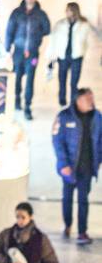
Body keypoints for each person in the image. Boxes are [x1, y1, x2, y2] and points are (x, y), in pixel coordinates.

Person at [51, 87, 102, 244]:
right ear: (78, 101)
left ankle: (82, 231)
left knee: (83, 199)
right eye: (88, 99)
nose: (92, 102)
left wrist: (98, 161)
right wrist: (63, 164)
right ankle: (67, 224)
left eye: (92, 99)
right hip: (69, 168)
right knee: (67, 198)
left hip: (87, 168)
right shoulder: (64, 117)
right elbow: (57, 142)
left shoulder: (97, 117)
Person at [4, 0, 51, 119]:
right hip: (18, 51)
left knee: (30, 79)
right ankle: (17, 100)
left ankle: (27, 106)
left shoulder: (40, 14)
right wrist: (7, 49)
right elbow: (9, 31)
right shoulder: (17, 13)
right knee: (17, 76)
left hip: (32, 52)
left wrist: (37, 37)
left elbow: (47, 29)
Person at [49, 1, 91, 108]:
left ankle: (73, 102)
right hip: (63, 57)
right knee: (62, 79)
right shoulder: (60, 24)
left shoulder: (84, 25)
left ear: (74, 11)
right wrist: (52, 56)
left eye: (68, 10)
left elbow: (87, 41)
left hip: (77, 57)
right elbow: (53, 40)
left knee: (74, 82)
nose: (66, 12)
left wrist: (83, 53)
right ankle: (62, 100)